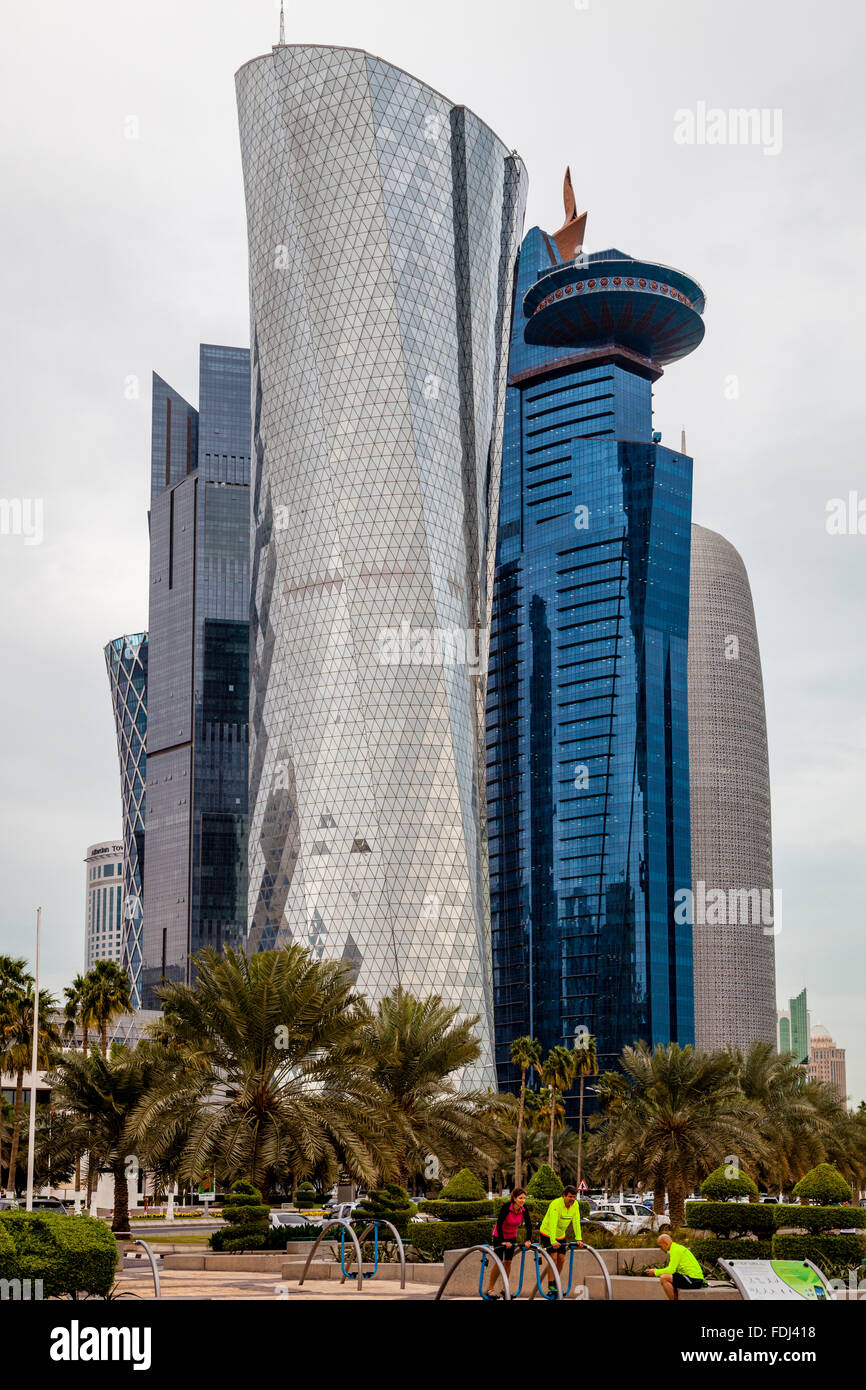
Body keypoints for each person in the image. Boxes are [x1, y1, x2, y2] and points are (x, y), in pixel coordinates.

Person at [486, 1187, 533, 1299]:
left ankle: (504, 1288)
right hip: (499, 1236)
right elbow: (499, 1223)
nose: (522, 1200)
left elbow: (529, 1225)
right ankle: (490, 1289)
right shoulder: (506, 1207)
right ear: (514, 1198)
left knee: (507, 1262)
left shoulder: (523, 1209)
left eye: (524, 1198)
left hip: (512, 1237)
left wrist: (528, 1240)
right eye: (520, 1198)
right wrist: (503, 1241)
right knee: (498, 1262)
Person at [539, 1185, 584, 1294]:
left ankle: (555, 1282)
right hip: (547, 1233)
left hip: (561, 1235)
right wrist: (553, 1240)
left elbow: (576, 1222)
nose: (572, 1199)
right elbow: (553, 1223)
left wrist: (579, 1239)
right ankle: (551, 1286)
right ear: (564, 1196)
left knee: (562, 1259)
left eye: (574, 1197)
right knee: (553, 1257)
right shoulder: (556, 1204)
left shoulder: (575, 1205)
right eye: (570, 1197)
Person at [645, 1233, 707, 1300]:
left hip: (694, 1280)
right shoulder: (676, 1248)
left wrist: (655, 1272)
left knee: (664, 1278)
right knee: (671, 1277)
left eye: (660, 1246)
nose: (660, 1249)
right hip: (693, 1279)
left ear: (666, 1244)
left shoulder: (675, 1250)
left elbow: (671, 1270)